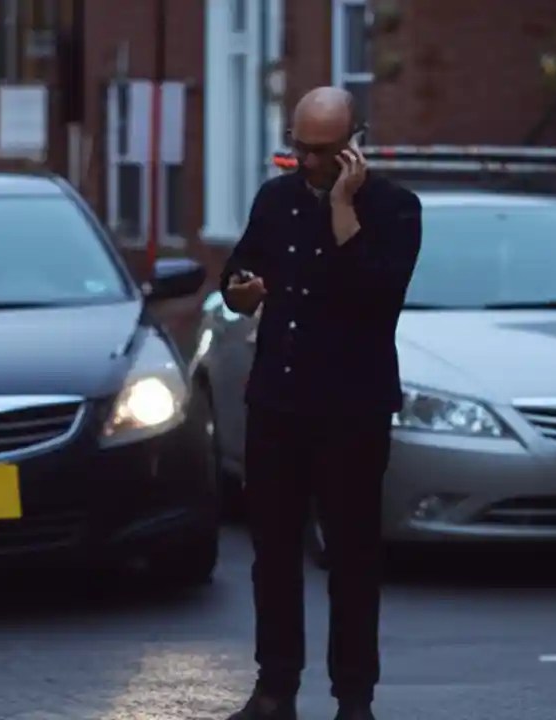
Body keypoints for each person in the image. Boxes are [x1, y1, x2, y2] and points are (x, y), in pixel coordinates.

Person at [220, 87, 422, 720]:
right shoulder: (274, 200)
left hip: (351, 410)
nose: (306, 163)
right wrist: (240, 291)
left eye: (322, 152)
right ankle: (275, 688)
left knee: (352, 557)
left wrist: (341, 208)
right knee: (273, 555)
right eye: (298, 148)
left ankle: (353, 698)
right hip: (278, 403)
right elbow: (238, 272)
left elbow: (376, 293)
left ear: (354, 146)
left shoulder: (395, 208)